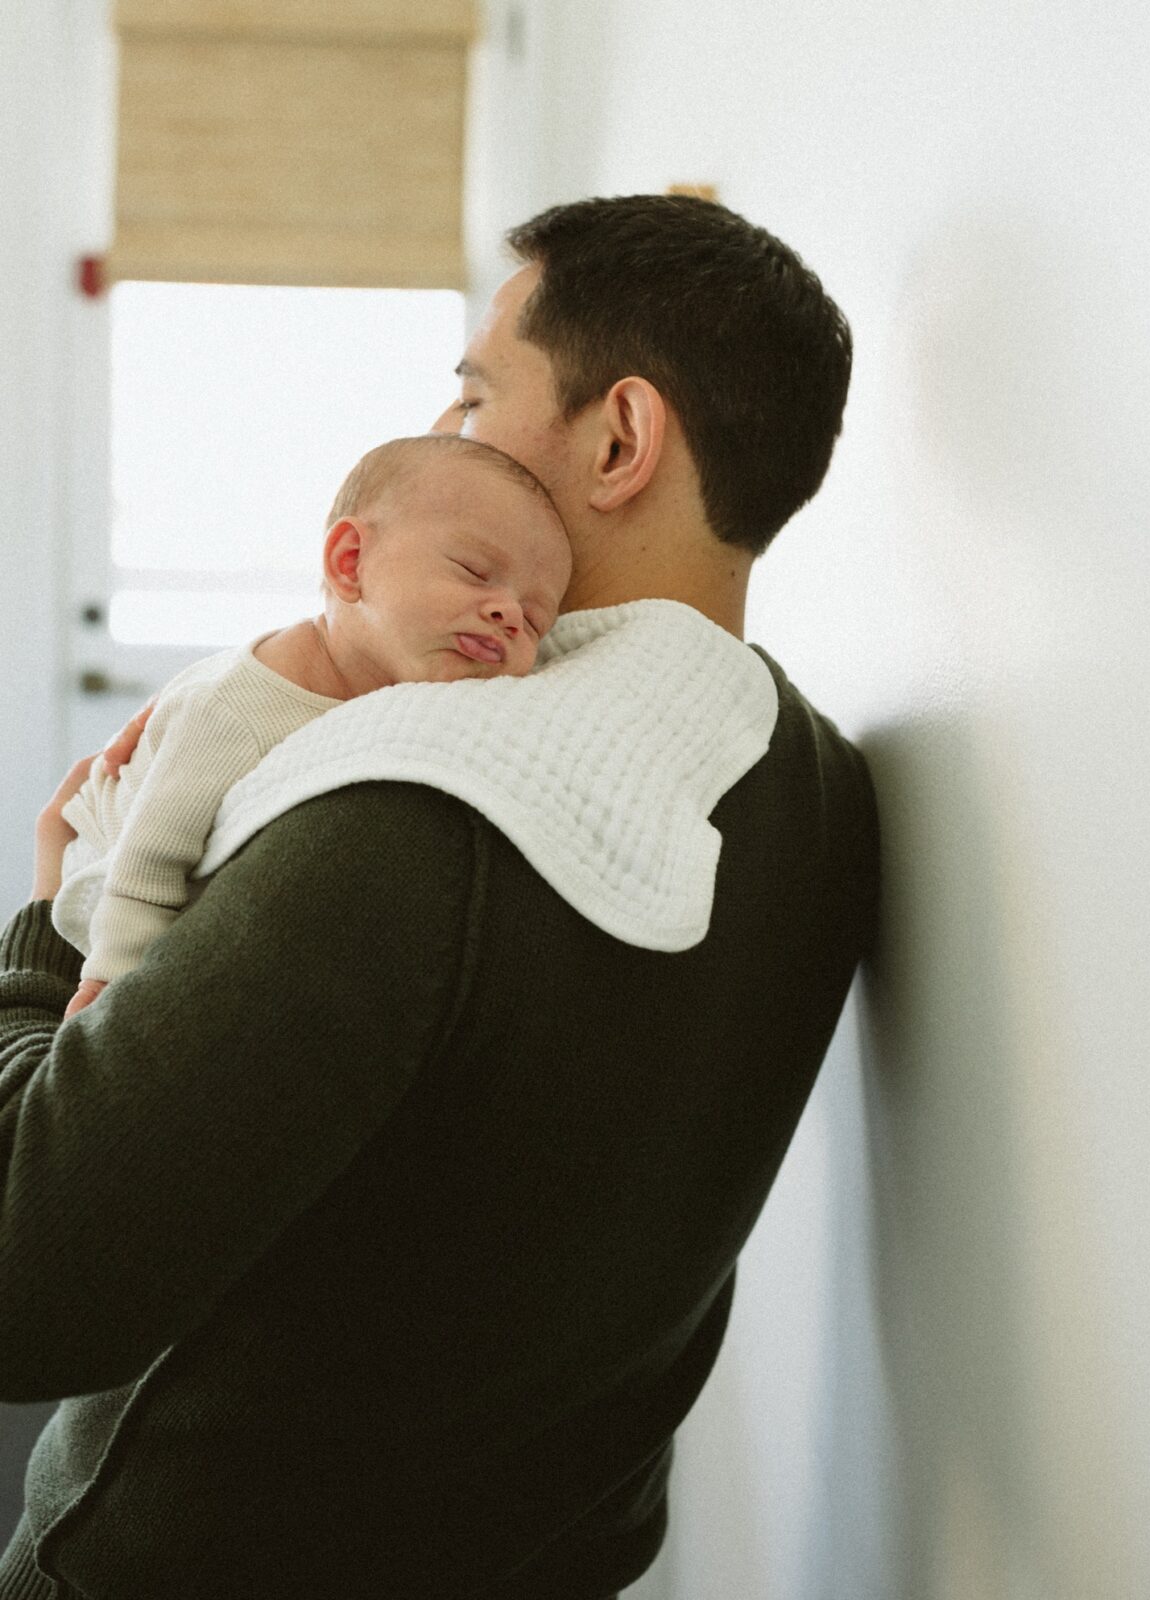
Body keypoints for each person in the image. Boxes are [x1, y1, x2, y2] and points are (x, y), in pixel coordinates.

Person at [0, 195, 879, 1599]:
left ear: (620, 439)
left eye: (476, 395)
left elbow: (29, 1277)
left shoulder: (422, 794)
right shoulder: (817, 787)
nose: (456, 432)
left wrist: (49, 926)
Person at [52, 432, 572, 1018]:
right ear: (350, 563)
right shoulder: (239, 706)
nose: (506, 614)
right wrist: (110, 982)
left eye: (534, 620)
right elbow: (148, 858)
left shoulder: (419, 706)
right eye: (475, 571)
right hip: (105, 884)